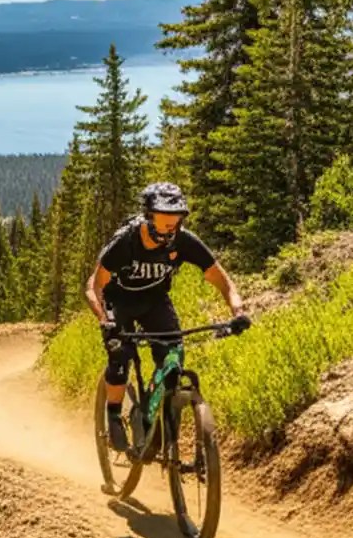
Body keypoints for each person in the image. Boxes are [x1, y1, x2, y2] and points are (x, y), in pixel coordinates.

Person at [84, 182, 251, 452]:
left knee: (173, 359)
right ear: (149, 218)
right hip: (120, 301)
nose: (170, 229)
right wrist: (105, 321)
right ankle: (113, 413)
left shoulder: (184, 241)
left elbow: (222, 280)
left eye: (175, 222)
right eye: (164, 223)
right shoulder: (126, 241)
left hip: (155, 301)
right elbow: (95, 285)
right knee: (120, 357)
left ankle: (156, 420)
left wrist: (238, 312)